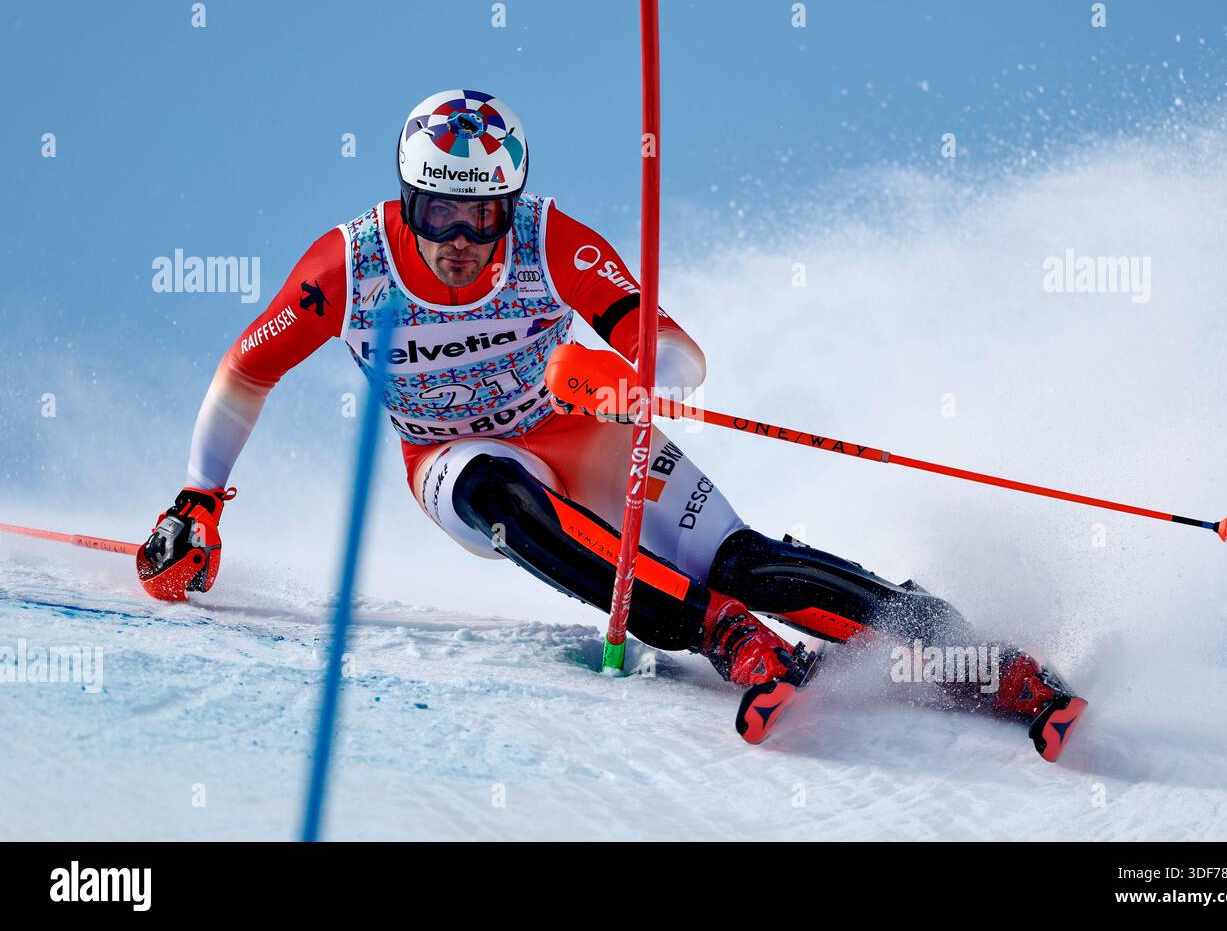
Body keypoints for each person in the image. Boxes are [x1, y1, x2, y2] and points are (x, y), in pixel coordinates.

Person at [139, 89, 1085, 759]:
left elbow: (679, 356)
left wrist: (622, 378)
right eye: (439, 212)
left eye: (483, 217)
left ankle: (981, 660)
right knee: (499, 496)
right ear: (405, 195)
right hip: (450, 450)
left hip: (575, 420)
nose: (462, 241)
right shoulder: (350, 264)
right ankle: (729, 642)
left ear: (510, 203)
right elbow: (244, 373)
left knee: (747, 560)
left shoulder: (551, 240)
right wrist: (199, 499)